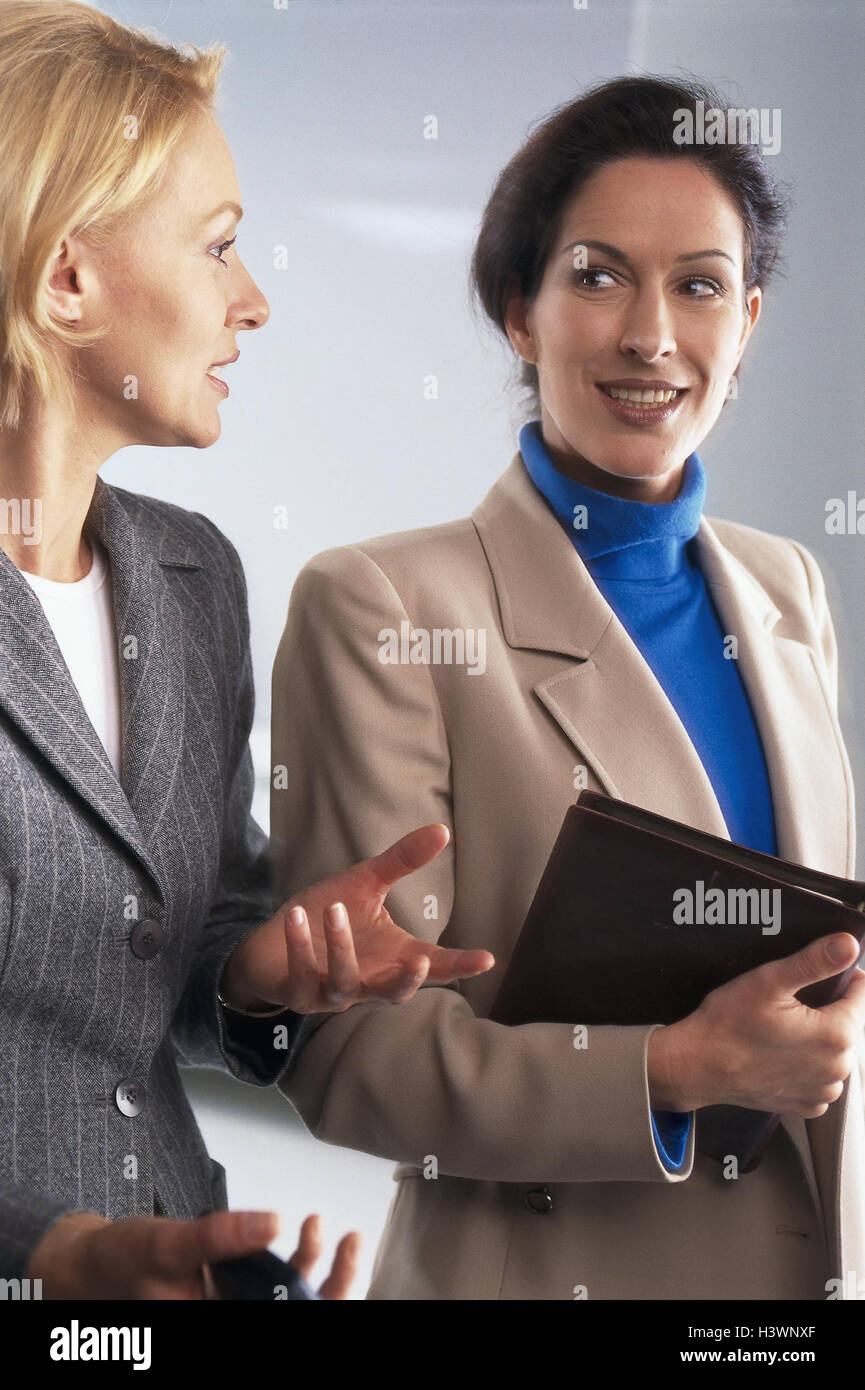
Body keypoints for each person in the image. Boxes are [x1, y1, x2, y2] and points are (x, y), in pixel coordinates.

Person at [271, 75, 865, 1300]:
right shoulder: (385, 606)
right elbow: (346, 1056)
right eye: (596, 276)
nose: (651, 333)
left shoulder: (786, 589)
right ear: (518, 314)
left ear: (746, 321)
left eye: (698, 285)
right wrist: (673, 1069)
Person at [0, 0, 492, 1300]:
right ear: (65, 279)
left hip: (183, 1258)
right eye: (218, 246)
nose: (254, 298)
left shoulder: (191, 575)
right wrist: (49, 1257)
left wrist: (265, 963)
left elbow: (181, 929)